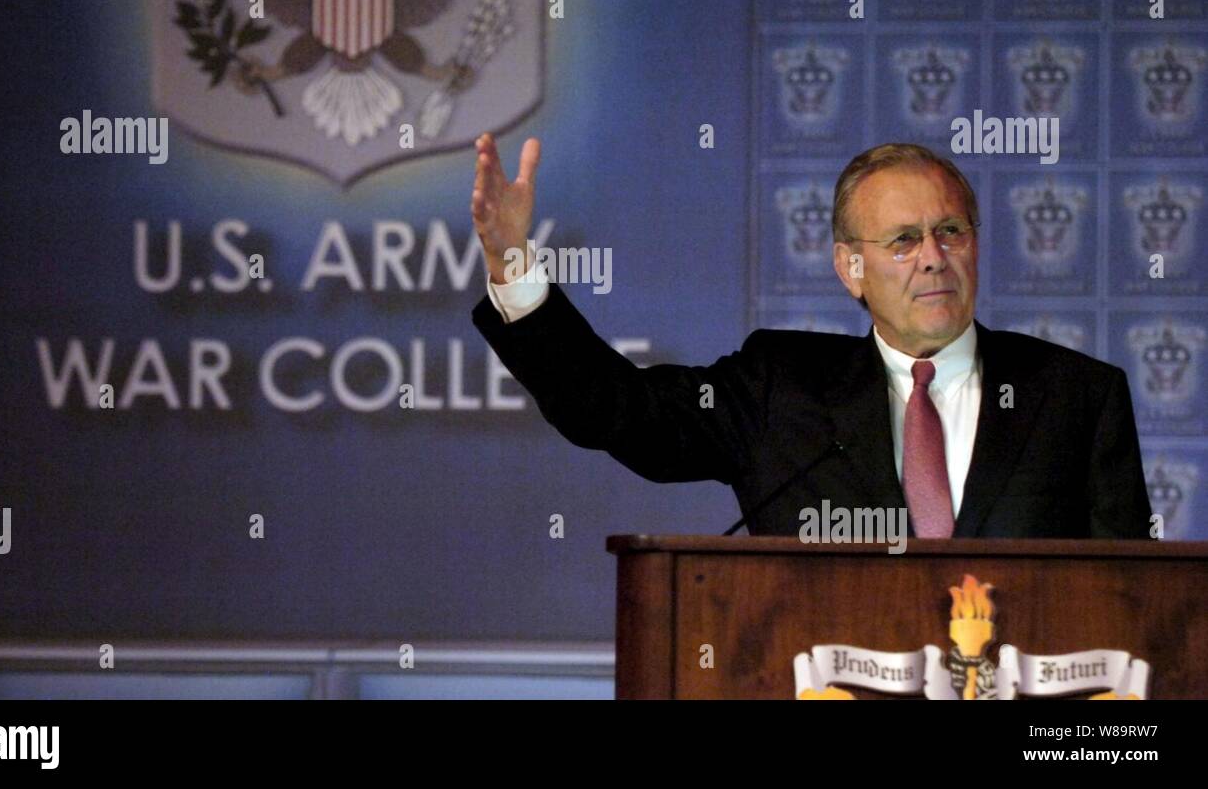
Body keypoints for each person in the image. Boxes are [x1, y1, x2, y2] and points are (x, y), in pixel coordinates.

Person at [469, 135, 1152, 539]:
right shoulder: (778, 389)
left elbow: (1130, 600)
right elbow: (615, 410)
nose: (933, 257)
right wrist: (512, 263)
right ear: (849, 268)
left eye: (951, 232)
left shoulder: (1077, 397)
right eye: (903, 241)